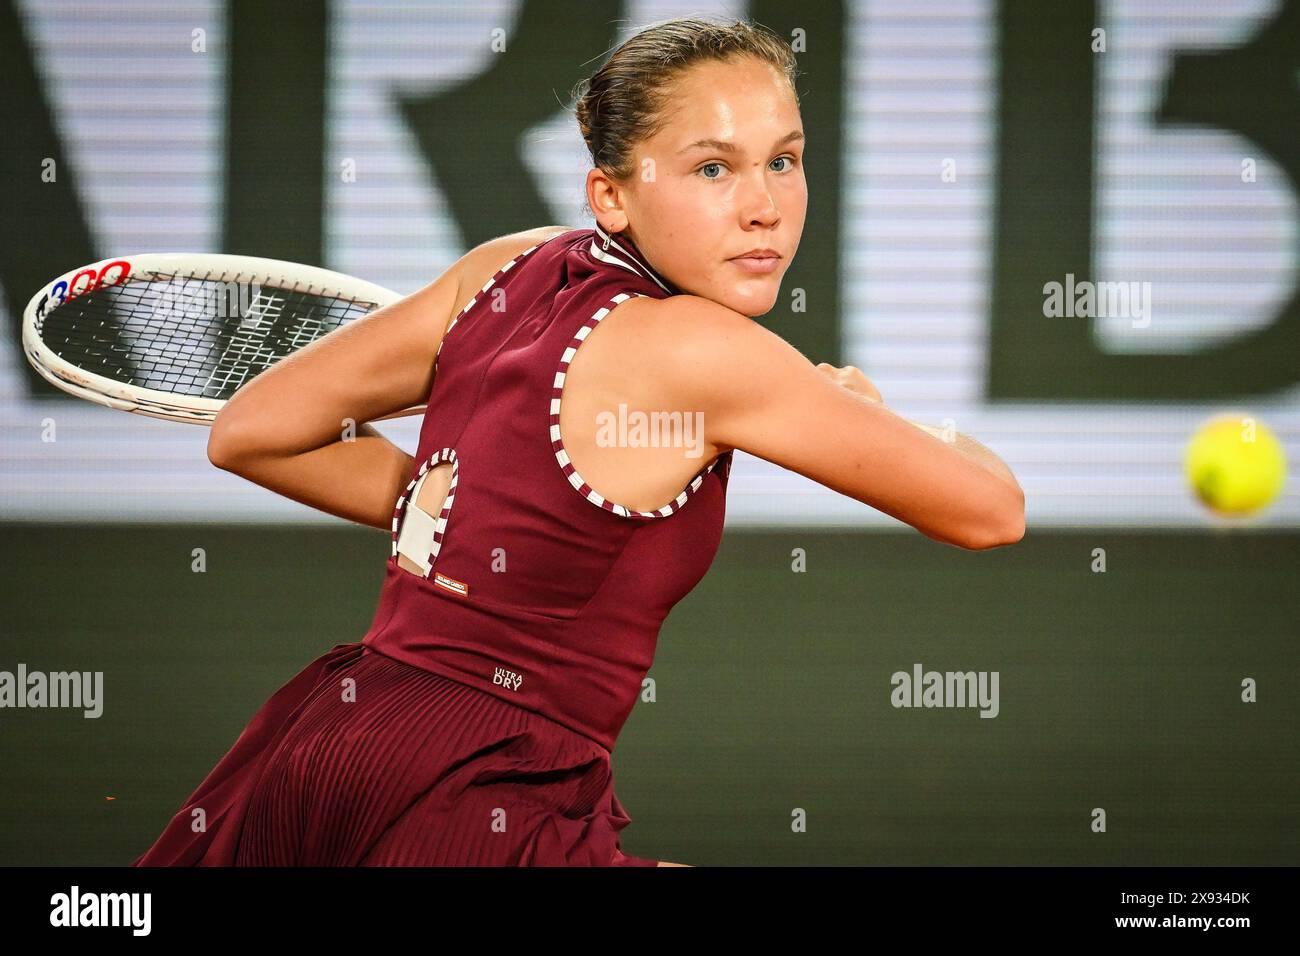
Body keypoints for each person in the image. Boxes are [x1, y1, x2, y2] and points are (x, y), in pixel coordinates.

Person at [133, 15, 1023, 868]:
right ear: (611, 195)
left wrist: (472, 524)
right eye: (713, 168)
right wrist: (884, 415)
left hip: (332, 737)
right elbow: (991, 512)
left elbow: (253, 433)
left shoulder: (503, 268)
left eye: (783, 161)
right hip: (475, 790)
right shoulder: (712, 352)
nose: (764, 207)